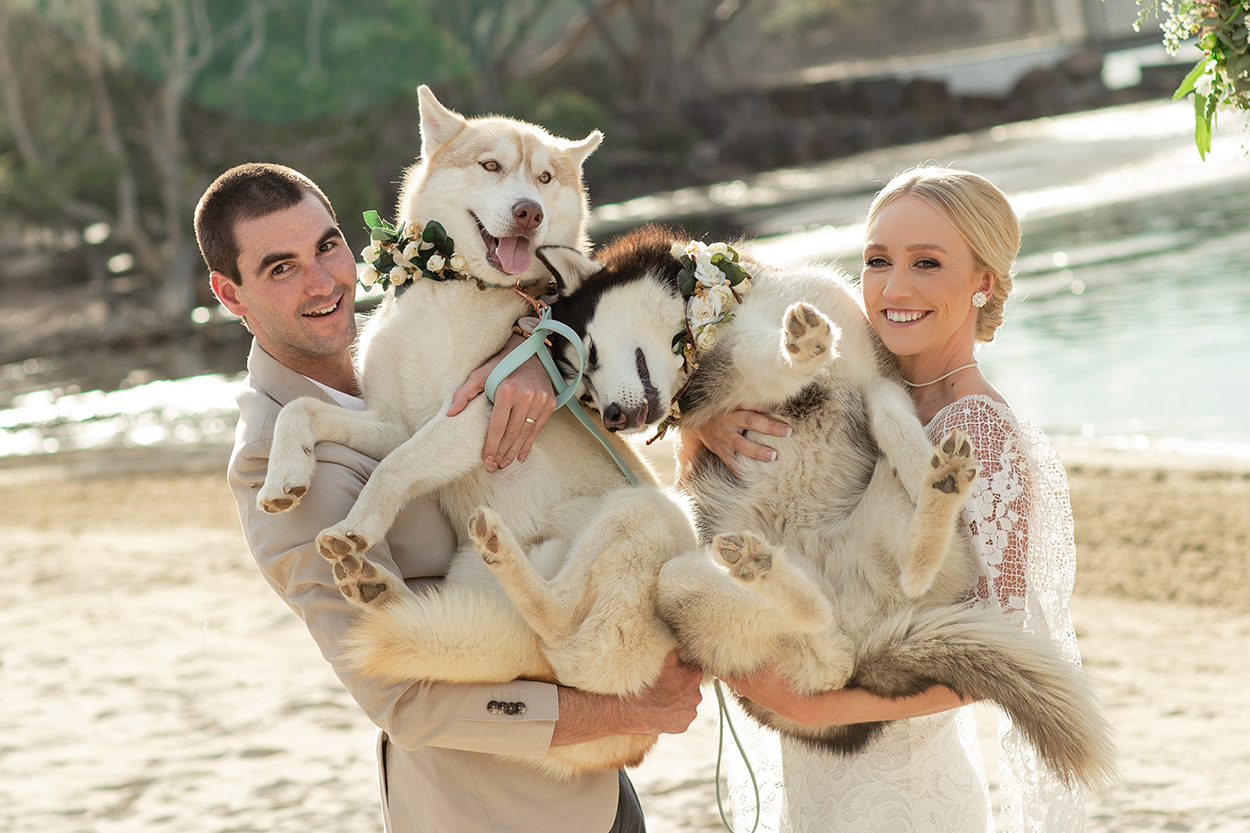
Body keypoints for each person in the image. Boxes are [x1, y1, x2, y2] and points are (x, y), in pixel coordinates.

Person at [194, 162, 703, 833]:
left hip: (595, 791)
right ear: (231, 295)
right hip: (492, 809)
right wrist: (632, 711)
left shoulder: (396, 347)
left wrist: (536, 355)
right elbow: (403, 699)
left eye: (326, 246)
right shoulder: (274, 463)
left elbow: (571, 310)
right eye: (280, 268)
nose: (323, 282)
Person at [679, 166, 1086, 832]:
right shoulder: (839, 390)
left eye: (927, 262)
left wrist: (815, 707)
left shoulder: (975, 427)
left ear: (983, 281)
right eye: (877, 260)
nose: (894, 287)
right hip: (811, 794)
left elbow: (1004, 645)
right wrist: (703, 429)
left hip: (907, 798)